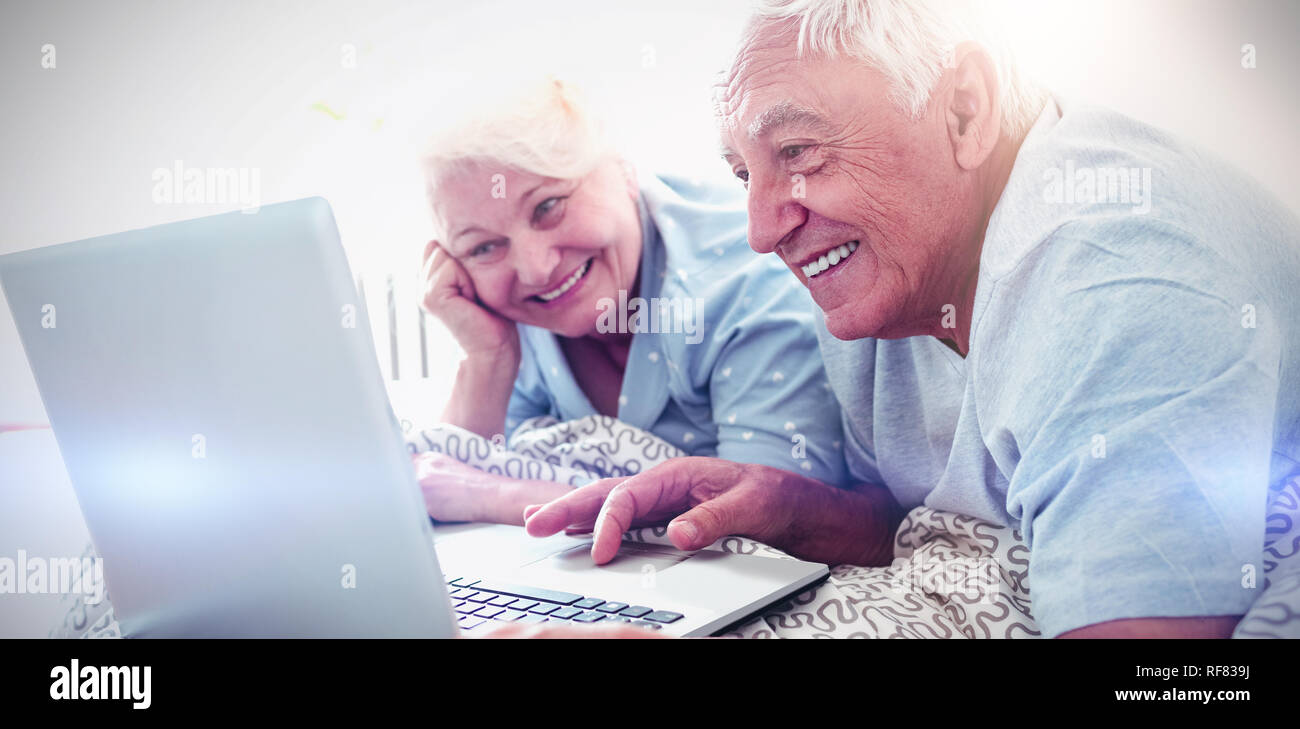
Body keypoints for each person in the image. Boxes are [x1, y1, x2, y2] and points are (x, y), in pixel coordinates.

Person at [521, 0, 1300, 639]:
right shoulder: (883, 284)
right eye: (741, 173)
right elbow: (935, 513)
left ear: (965, 109)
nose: (760, 231)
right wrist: (789, 506)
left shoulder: (1124, 275)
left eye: (797, 149)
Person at [415, 77, 848, 527]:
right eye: (483, 248)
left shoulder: (742, 281)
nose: (535, 269)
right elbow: (440, 485)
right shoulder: (502, 312)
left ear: (623, 171)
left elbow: (770, 518)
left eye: (548, 207)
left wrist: (497, 495)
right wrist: (487, 359)